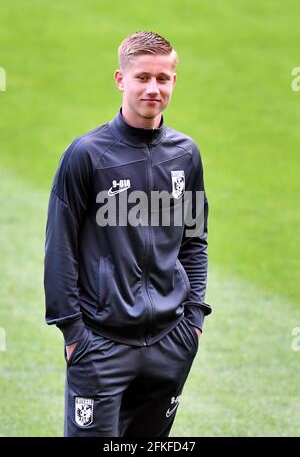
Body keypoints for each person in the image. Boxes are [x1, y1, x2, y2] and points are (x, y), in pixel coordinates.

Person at [44, 30, 212, 437]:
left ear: (174, 80)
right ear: (121, 79)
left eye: (162, 78)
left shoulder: (185, 154)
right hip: (101, 344)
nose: (153, 88)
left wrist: (194, 319)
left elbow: (194, 239)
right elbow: (59, 248)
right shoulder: (87, 154)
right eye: (142, 77)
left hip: (171, 341)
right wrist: (72, 331)